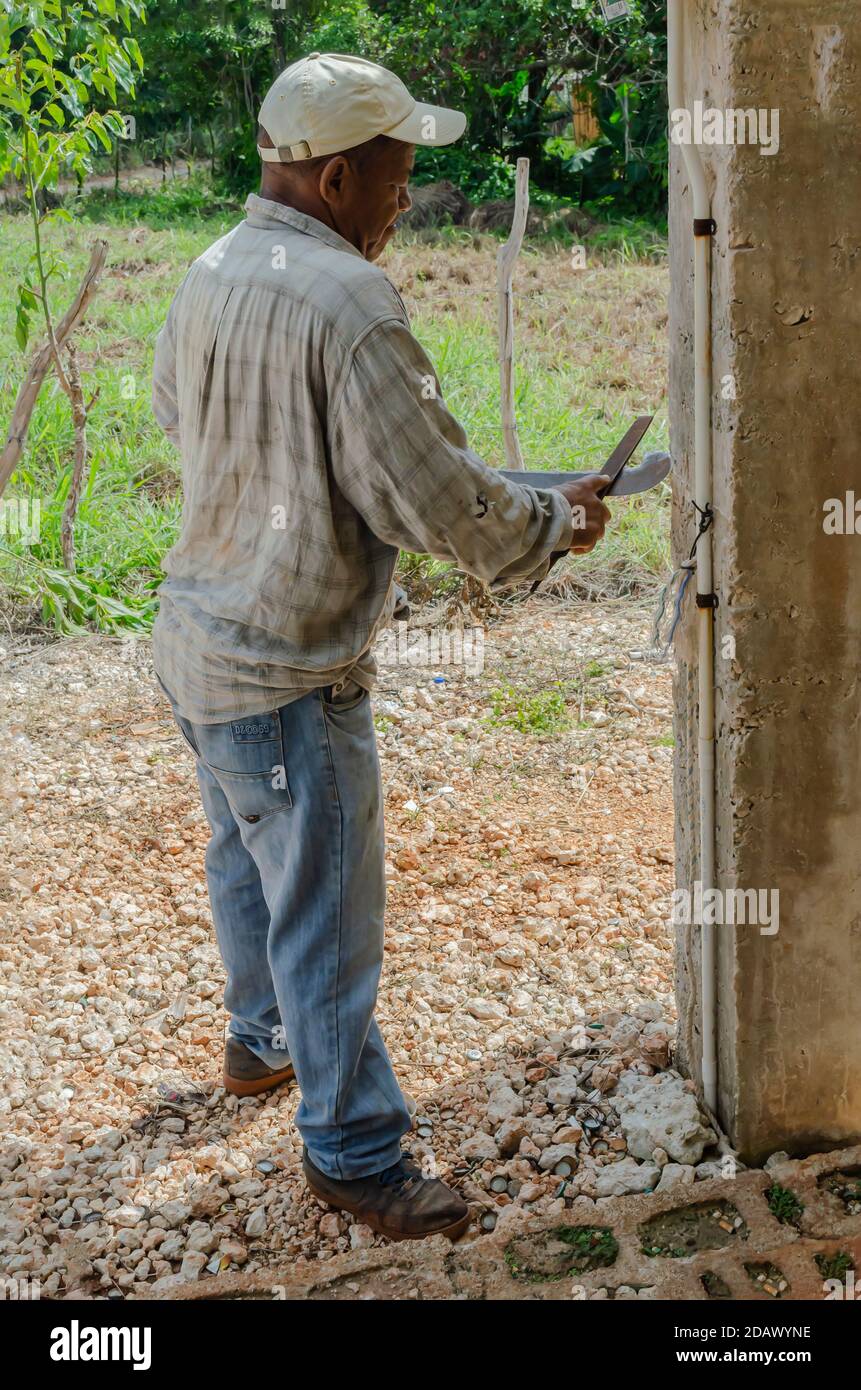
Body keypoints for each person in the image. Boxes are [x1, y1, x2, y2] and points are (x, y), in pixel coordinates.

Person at [151, 52, 610, 1242]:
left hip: (201, 645)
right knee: (328, 913)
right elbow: (434, 501)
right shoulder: (350, 300)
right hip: (291, 670)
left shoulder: (213, 266)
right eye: (399, 181)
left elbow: (177, 416)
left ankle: (260, 1044)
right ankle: (353, 1150)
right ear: (340, 176)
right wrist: (554, 521)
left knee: (251, 859)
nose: (406, 204)